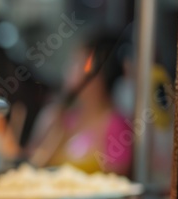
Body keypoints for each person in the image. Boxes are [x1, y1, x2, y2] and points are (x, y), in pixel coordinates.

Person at [29, 32, 133, 176]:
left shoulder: (116, 127)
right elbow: (33, 166)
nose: (69, 70)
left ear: (99, 75)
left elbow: (116, 181)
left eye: (77, 63)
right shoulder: (61, 118)